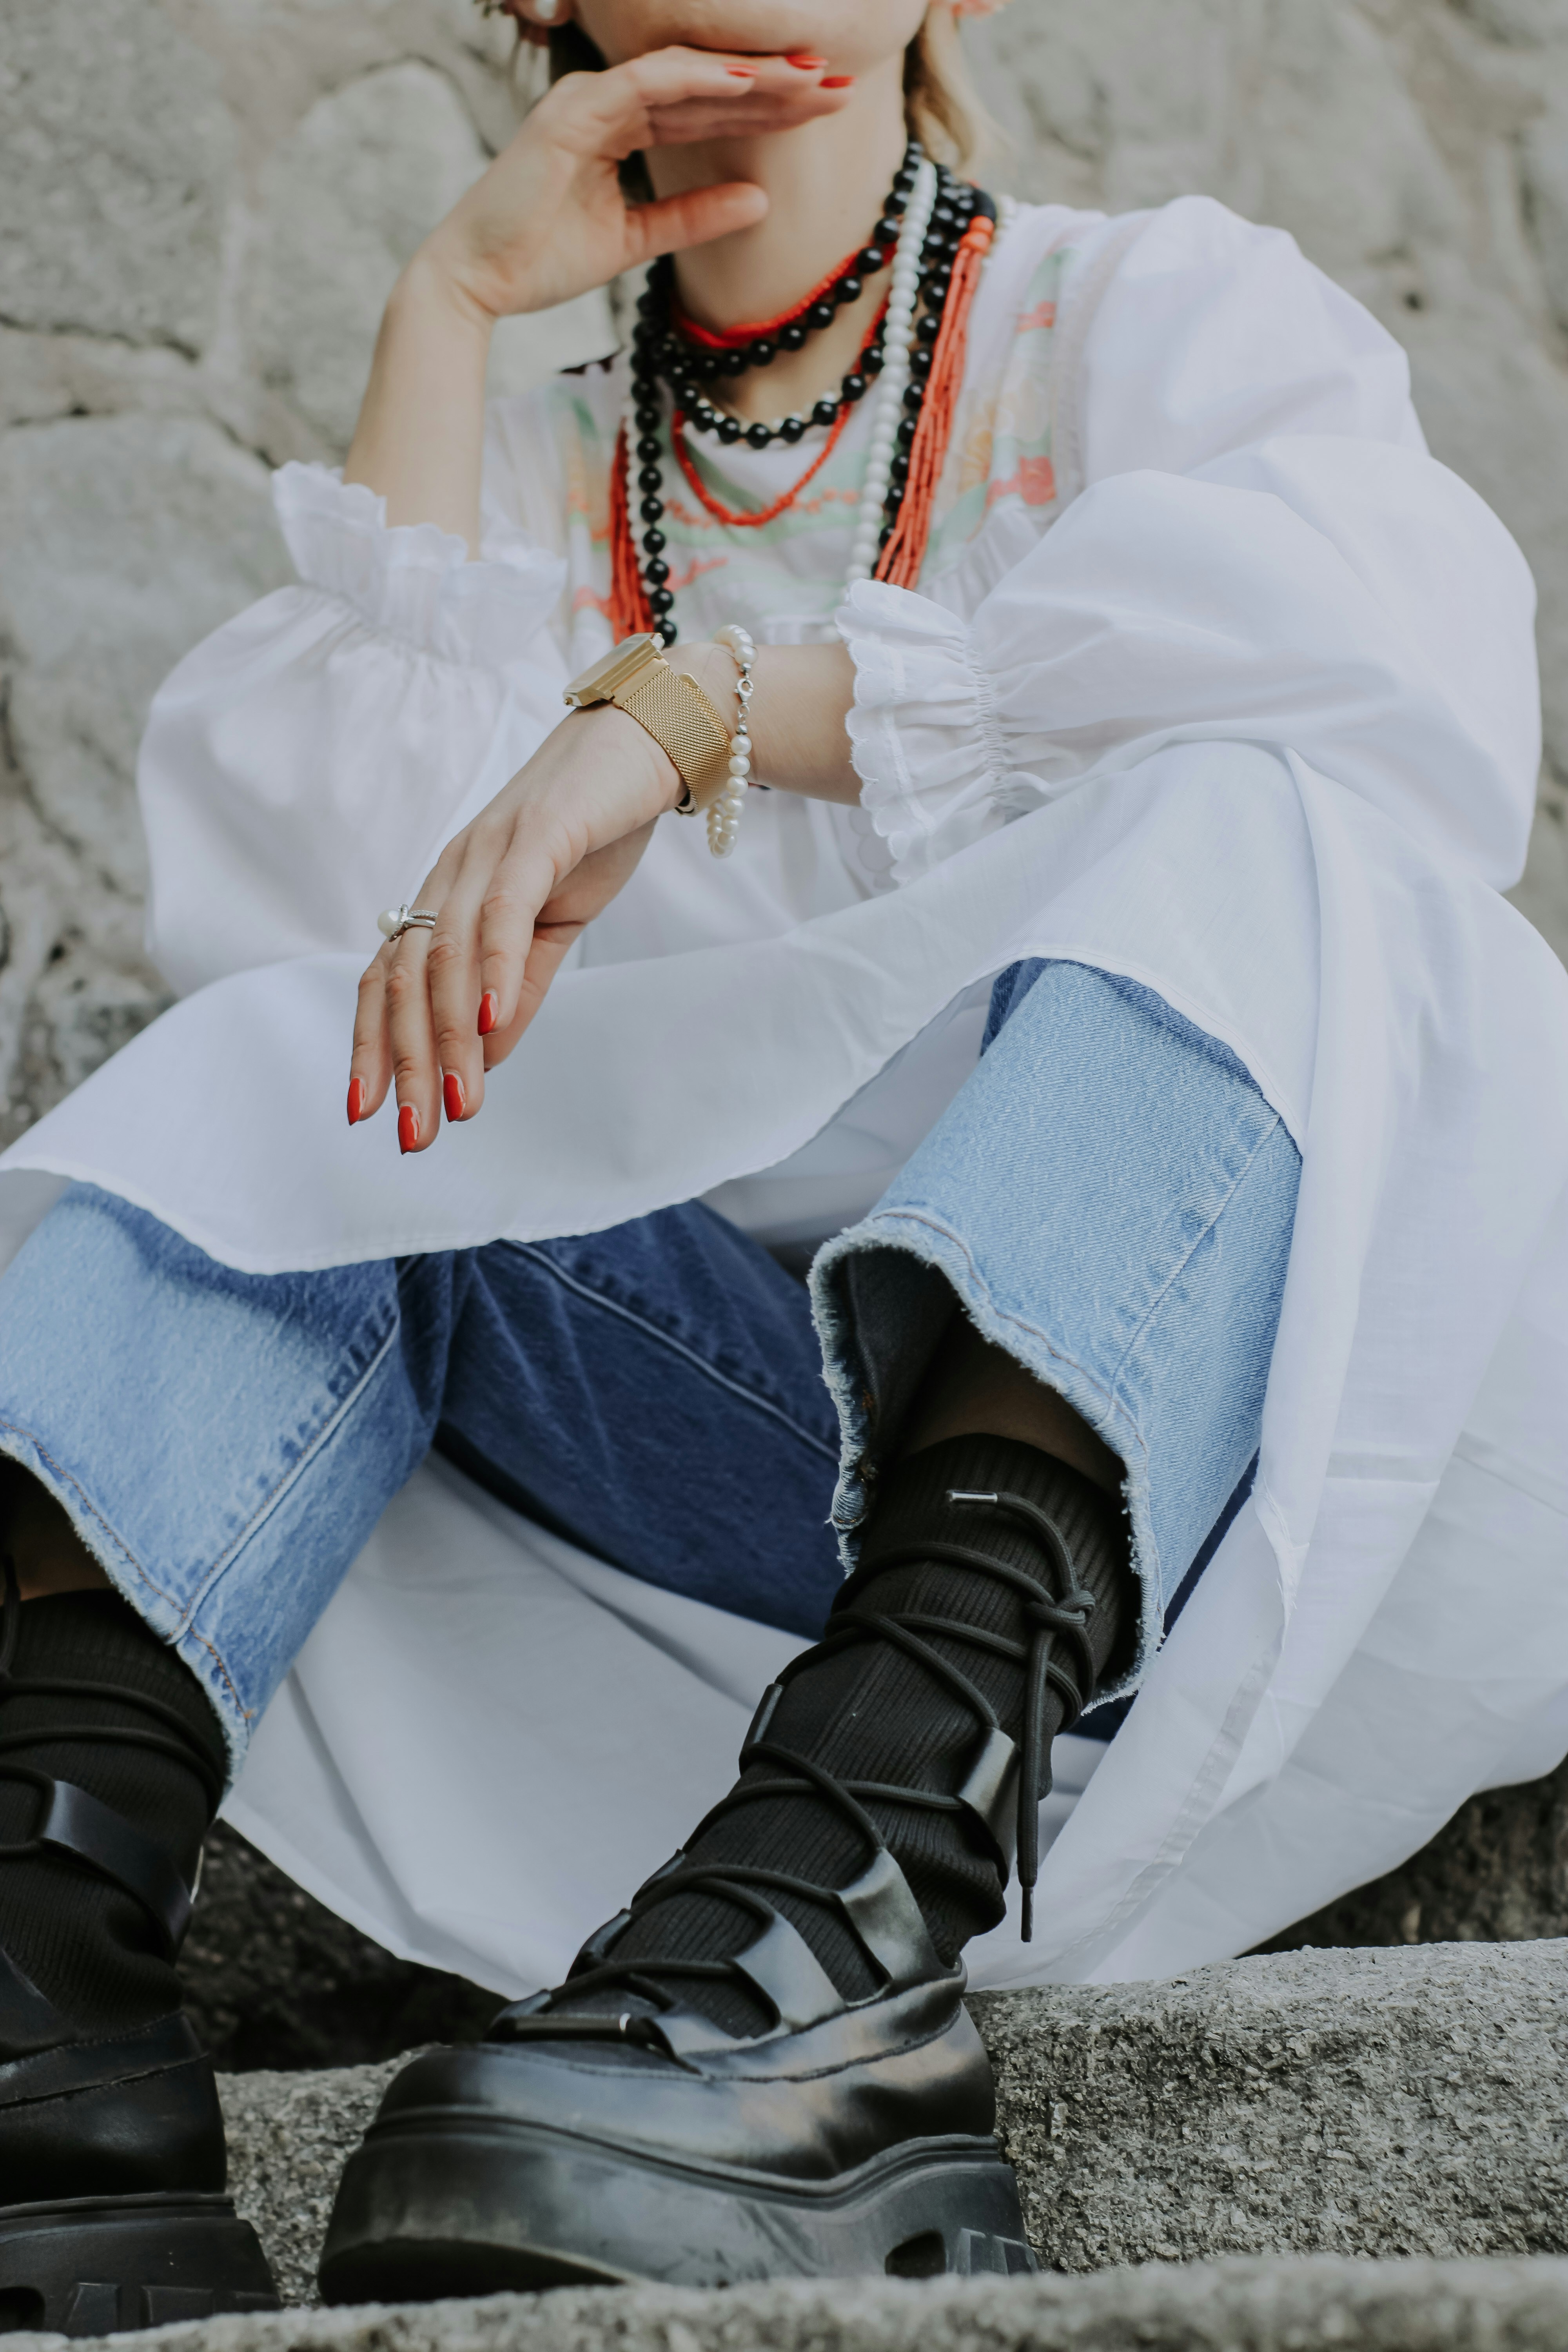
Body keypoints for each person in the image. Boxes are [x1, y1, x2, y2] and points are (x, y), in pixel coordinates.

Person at [0, 0, 1564, 2319]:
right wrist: (448, 304)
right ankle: (45, 2060)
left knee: (1260, 813)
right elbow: (330, 959)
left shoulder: (1143, 320)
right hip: (736, 1469)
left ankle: (833, 1967)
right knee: (273, 1055)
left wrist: (713, 705)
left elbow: (1412, 680)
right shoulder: (531, 479)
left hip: (1205, 1474)